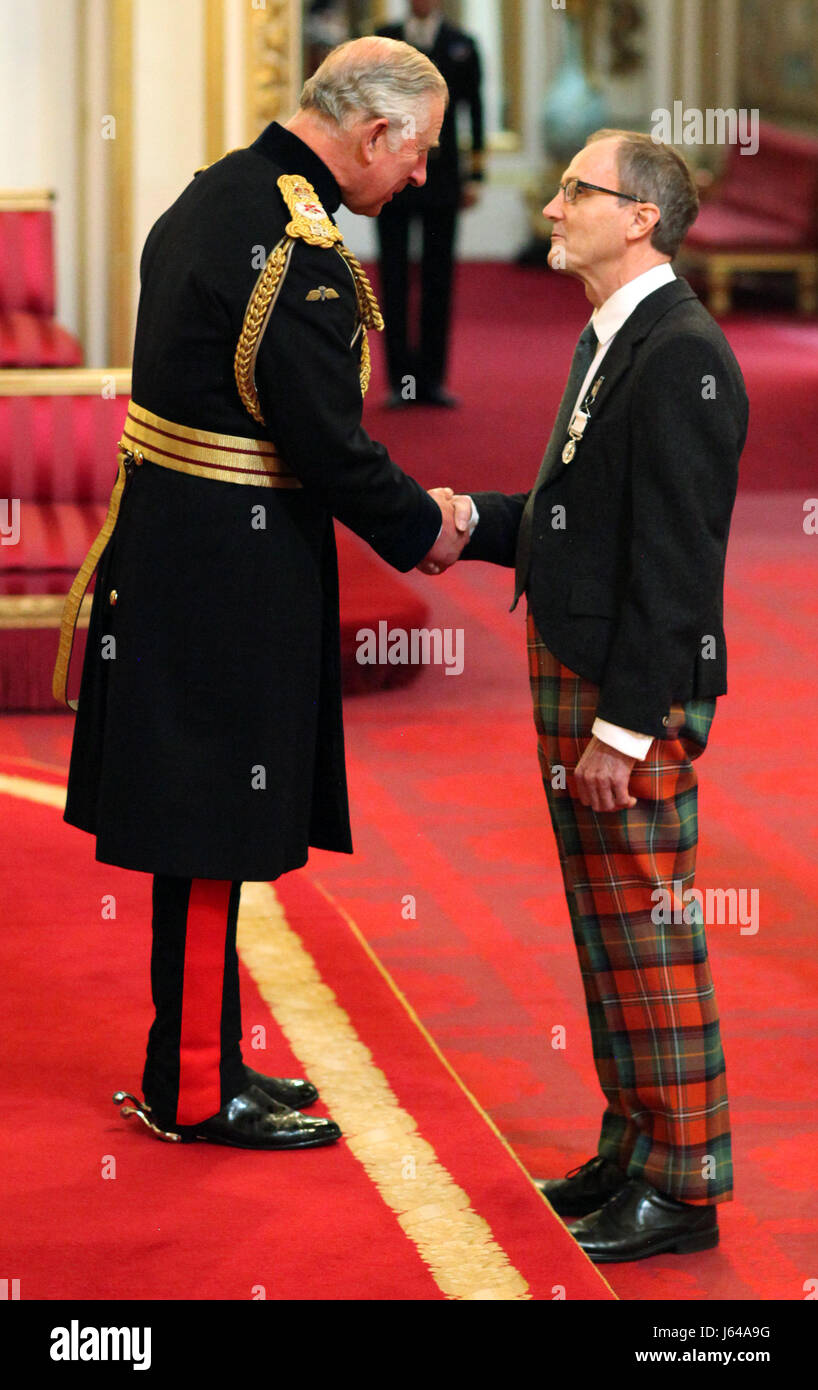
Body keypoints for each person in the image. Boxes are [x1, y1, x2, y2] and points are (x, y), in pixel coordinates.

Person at [55, 37, 472, 1151]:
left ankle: (204, 1050)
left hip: (177, 545)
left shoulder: (219, 191)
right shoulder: (303, 249)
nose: (421, 177)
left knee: (209, 816)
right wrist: (427, 529)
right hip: (227, 572)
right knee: (211, 822)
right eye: (419, 152)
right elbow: (330, 448)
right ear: (376, 132)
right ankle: (192, 1085)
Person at [429, 130, 748, 1262]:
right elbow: (579, 517)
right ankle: (633, 1146)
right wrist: (474, 519)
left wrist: (625, 725)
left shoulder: (680, 354)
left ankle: (684, 1181)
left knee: (652, 933)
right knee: (607, 931)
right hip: (581, 665)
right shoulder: (615, 335)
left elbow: (675, 563)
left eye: (576, 190)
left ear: (639, 218)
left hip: (625, 693)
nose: (552, 206)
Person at [376, 0, 484, 407]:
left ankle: (432, 381)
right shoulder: (385, 41)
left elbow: (474, 108)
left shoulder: (461, 44)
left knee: (439, 277)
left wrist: (475, 174)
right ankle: (400, 382)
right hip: (393, 173)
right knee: (395, 276)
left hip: (442, 177)